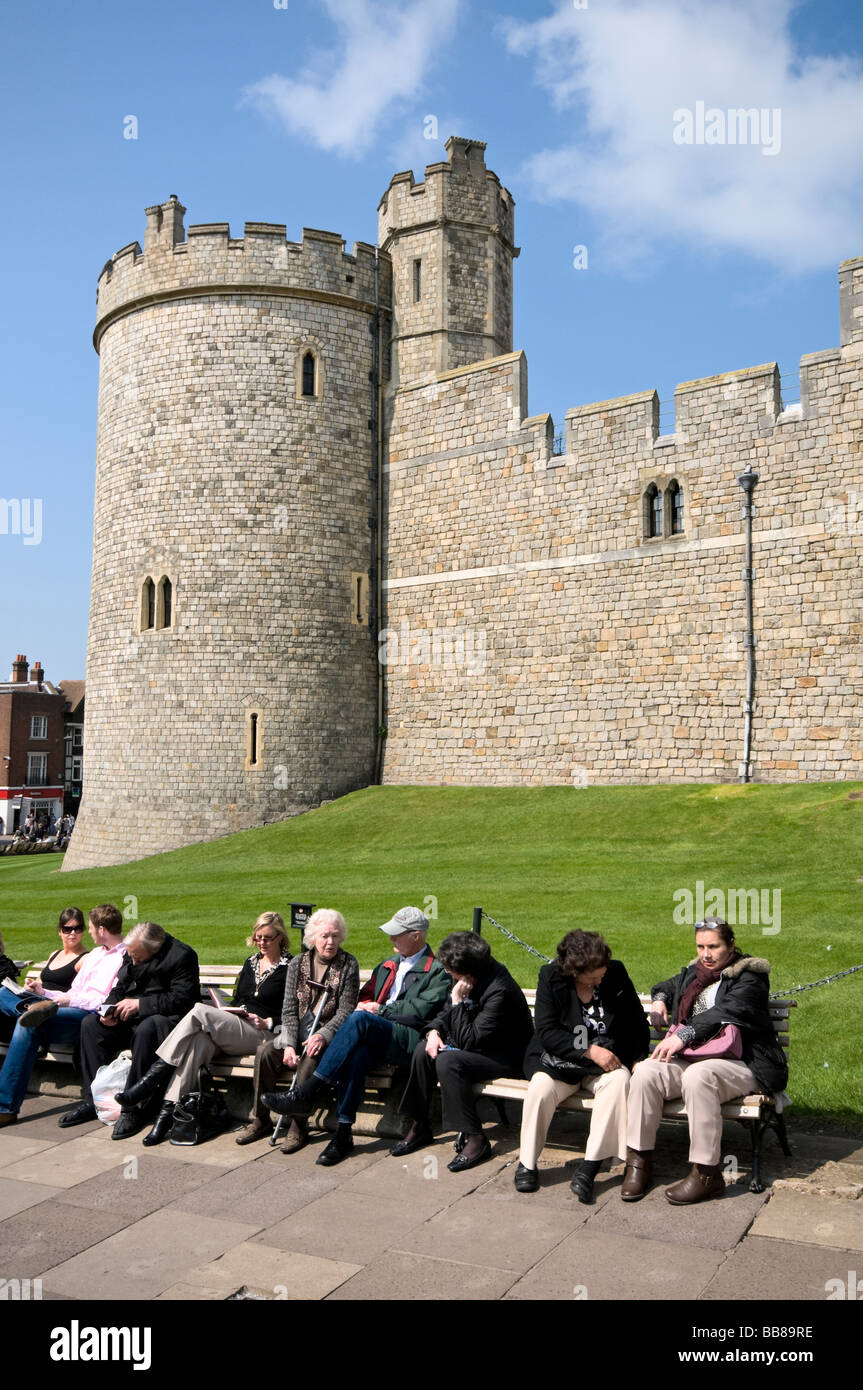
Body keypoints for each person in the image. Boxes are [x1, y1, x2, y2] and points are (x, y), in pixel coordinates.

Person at [262, 905, 450, 1166]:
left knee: (360, 1020)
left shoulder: (437, 970)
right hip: (379, 1036)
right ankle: (343, 1133)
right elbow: (364, 995)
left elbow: (421, 1010)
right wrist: (365, 1004)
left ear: (416, 936)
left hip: (411, 1040)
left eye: (397, 934)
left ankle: (306, 1092)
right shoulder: (388, 964)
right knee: (357, 1053)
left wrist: (379, 1009)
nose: (391, 938)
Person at [622, 917, 789, 1205]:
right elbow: (666, 985)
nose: (706, 954)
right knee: (646, 1072)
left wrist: (684, 1034)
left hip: (743, 1062)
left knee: (699, 1076)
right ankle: (639, 1163)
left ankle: (707, 1174)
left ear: (731, 945)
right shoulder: (694, 973)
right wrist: (660, 998)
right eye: (700, 947)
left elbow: (726, 1010)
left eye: (714, 947)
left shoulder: (750, 977)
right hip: (696, 1057)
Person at [115, 912, 292, 1146]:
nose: (261, 942)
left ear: (280, 937)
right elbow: (240, 999)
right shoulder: (250, 963)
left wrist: (268, 1021)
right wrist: (232, 1010)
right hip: (238, 1026)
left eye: (267, 938)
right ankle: (165, 1118)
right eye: (258, 937)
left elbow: (295, 1013)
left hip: (263, 1034)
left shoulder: (290, 967)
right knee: (197, 1044)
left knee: (199, 1010)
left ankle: (150, 1079)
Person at [514, 930, 649, 1200]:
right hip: (559, 1062)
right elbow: (547, 1032)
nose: (600, 980)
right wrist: (589, 1051)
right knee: (539, 1089)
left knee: (619, 1081)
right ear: (574, 972)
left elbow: (636, 1021)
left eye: (602, 974)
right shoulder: (550, 976)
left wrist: (637, 1059)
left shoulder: (615, 973)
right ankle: (526, 1163)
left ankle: (590, 1167)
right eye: (593, 977)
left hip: (605, 1063)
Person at [392, 931, 534, 1172]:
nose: (447, 972)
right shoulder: (468, 977)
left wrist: (458, 999)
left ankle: (476, 1138)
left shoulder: (499, 990)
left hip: (507, 1057)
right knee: (424, 1050)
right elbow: (445, 1014)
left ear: (468, 972)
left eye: (450, 970)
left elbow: (470, 1040)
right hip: (478, 1048)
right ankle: (420, 1124)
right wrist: (433, 1032)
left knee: (449, 1062)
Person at [60, 920, 200, 1139]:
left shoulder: (182, 955)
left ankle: (133, 1108)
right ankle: (94, 1100)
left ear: (154, 949)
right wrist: (108, 1010)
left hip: (165, 1021)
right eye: (131, 956)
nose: (133, 960)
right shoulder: (132, 950)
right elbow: (120, 986)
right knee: (90, 1025)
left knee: (147, 1029)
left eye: (138, 958)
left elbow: (183, 999)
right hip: (131, 1017)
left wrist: (141, 1005)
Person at [236, 908, 360, 1151]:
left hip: (326, 1034)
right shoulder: (297, 963)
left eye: (335, 936)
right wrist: (289, 1044)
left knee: (311, 1057)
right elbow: (289, 1009)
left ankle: (298, 1125)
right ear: (313, 937)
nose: (331, 942)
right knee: (265, 1052)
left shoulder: (348, 964)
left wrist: (322, 1035)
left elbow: (346, 1011)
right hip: (296, 1030)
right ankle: (260, 1118)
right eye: (325, 936)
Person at [0, 905, 126, 1127]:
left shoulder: (124, 958)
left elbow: (107, 1001)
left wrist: (67, 1001)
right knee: (4, 994)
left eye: (88, 928)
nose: (87, 932)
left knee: (29, 1023)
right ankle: (30, 1006)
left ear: (101, 930)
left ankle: (4, 1107)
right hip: (63, 1007)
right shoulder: (96, 955)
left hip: (87, 1016)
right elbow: (73, 992)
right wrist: (43, 992)